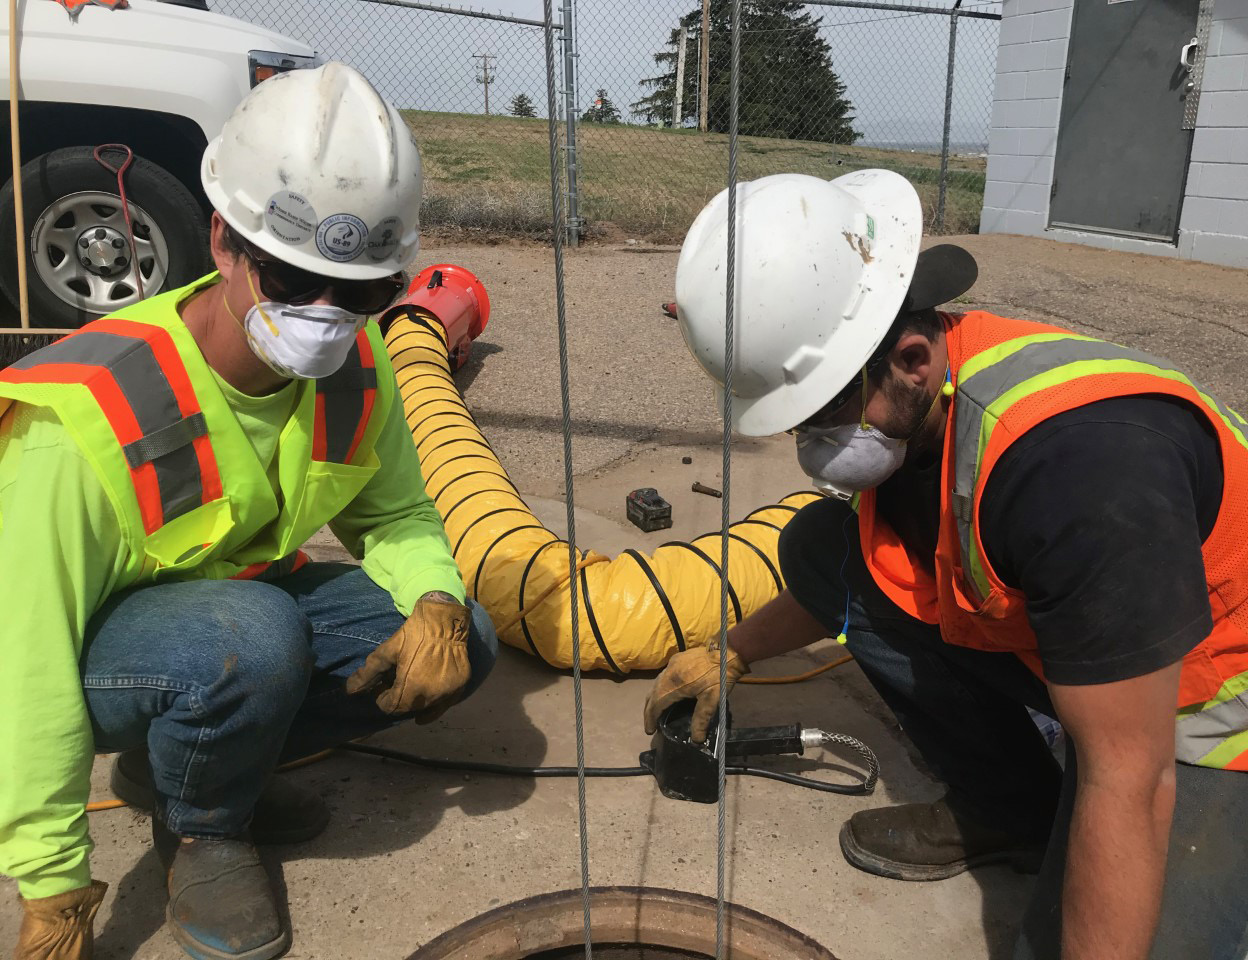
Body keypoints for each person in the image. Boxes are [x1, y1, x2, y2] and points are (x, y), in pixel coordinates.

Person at [644, 170, 1248, 960]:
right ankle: (1011, 808)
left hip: (1211, 704)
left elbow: (1132, 779)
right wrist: (732, 650)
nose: (814, 446)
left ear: (911, 357)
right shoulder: (920, 399)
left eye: (823, 413)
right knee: (821, 547)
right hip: (1094, 641)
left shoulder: (1078, 474)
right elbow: (865, 577)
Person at [0, 62, 498, 960]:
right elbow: (27, 664)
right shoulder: (82, 418)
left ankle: (193, 764)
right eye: (293, 277)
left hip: (219, 618)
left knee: (469, 633)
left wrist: (434, 599)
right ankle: (205, 825)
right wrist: (53, 887)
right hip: (76, 654)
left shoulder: (358, 371)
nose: (324, 315)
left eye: (361, 292)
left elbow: (396, 516)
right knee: (253, 636)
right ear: (223, 241)